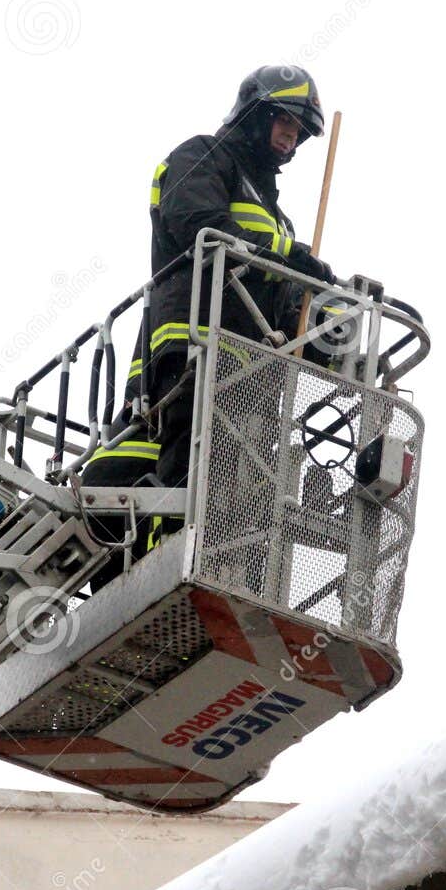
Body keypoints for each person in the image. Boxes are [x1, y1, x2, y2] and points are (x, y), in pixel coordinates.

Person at [81, 66, 332, 580]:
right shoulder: (202, 157)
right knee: (186, 461)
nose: (291, 137)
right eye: (284, 121)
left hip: (254, 370)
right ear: (255, 114)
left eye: (300, 131)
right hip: (193, 340)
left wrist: (326, 324)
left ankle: (225, 574)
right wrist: (288, 254)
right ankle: (163, 567)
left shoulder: (275, 212)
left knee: (240, 485)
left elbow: (286, 307)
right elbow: (197, 226)